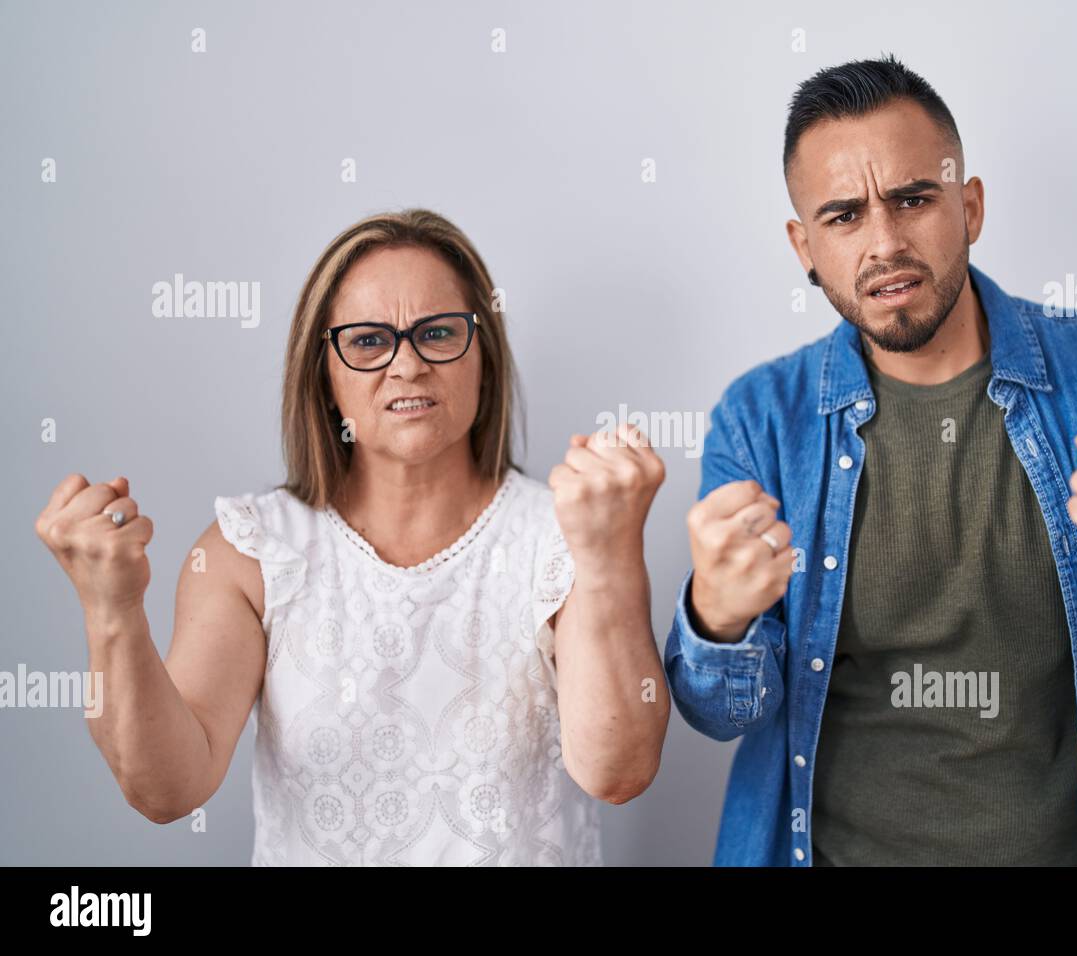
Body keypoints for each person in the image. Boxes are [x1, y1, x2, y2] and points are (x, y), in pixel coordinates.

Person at [663, 56, 1077, 866]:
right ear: (803, 246)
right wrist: (718, 617)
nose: (884, 242)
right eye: (843, 216)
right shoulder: (760, 419)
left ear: (971, 206)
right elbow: (720, 715)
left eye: (914, 199)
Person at [36, 208, 669, 865]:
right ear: (325, 373)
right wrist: (112, 613)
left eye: (438, 332)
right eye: (369, 341)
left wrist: (607, 556)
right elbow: (167, 788)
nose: (408, 365)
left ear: (484, 354)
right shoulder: (247, 553)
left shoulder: (561, 536)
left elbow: (617, 771)